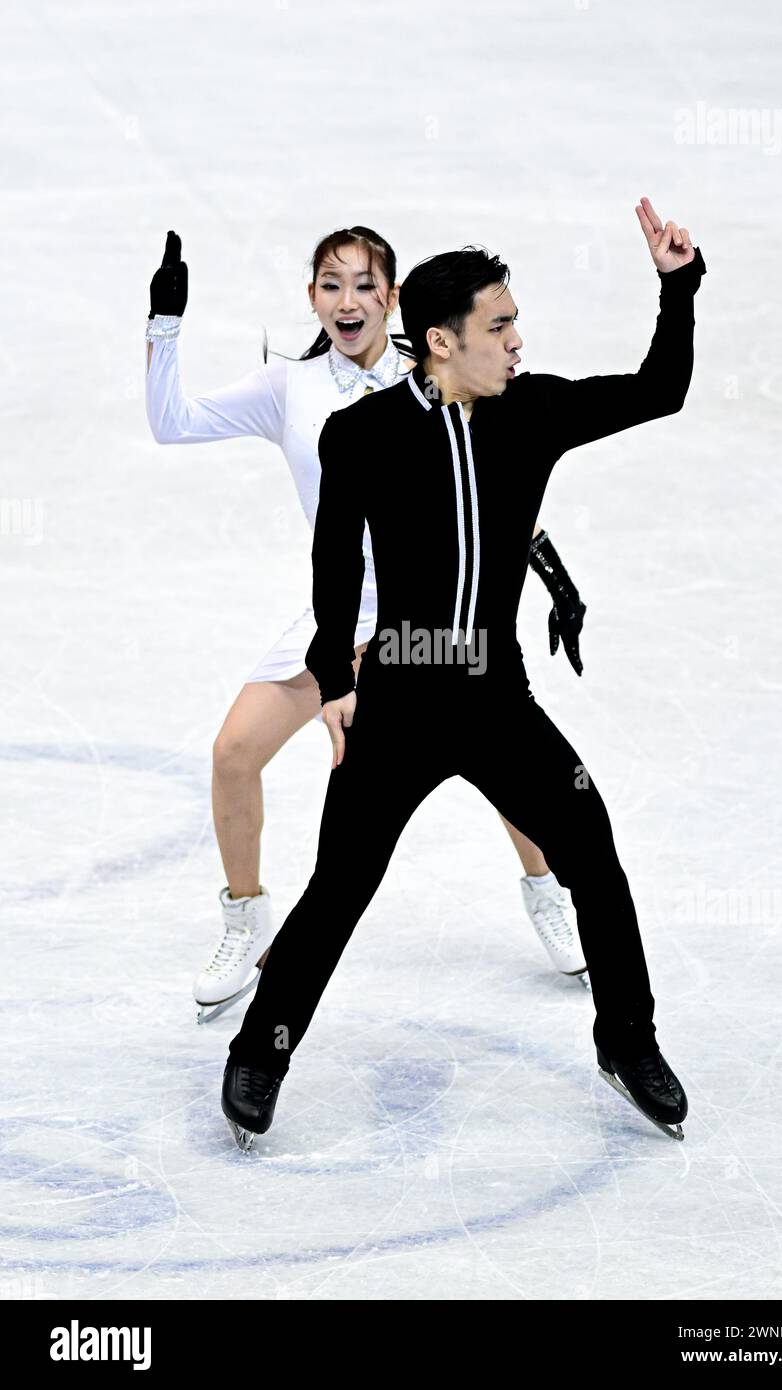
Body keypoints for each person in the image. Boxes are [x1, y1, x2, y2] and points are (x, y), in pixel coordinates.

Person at [221, 196, 706, 1149]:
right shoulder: (360, 438)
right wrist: (337, 680)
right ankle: (262, 1049)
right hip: (398, 698)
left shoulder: (537, 412)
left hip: (496, 699)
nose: (519, 339)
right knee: (341, 886)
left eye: (516, 320)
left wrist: (677, 285)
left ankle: (629, 1040)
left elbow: (662, 389)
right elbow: (332, 576)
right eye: (501, 324)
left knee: (595, 859)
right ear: (441, 341)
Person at [144, 225, 591, 1023]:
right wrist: (165, 324)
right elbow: (172, 421)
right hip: (342, 612)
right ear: (312, 298)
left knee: (497, 749)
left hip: (437, 611)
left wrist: (550, 573)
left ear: (393, 298)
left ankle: (544, 887)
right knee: (233, 753)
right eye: (329, 285)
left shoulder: (442, 372)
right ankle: (247, 918)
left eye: (363, 284)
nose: (346, 301)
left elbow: (489, 491)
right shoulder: (292, 388)